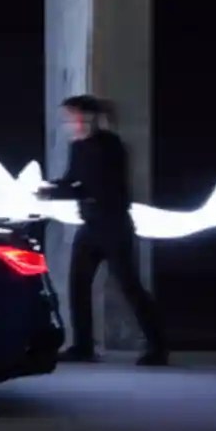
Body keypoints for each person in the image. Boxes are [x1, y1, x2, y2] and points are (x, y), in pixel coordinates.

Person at [36, 95, 169, 366]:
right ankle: (83, 346)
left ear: (87, 116)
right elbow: (73, 180)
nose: (69, 123)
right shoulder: (79, 147)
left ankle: (158, 346)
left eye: (71, 117)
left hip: (113, 225)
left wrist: (57, 193)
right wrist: (52, 189)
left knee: (129, 285)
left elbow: (96, 186)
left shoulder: (110, 146)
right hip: (91, 225)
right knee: (78, 284)